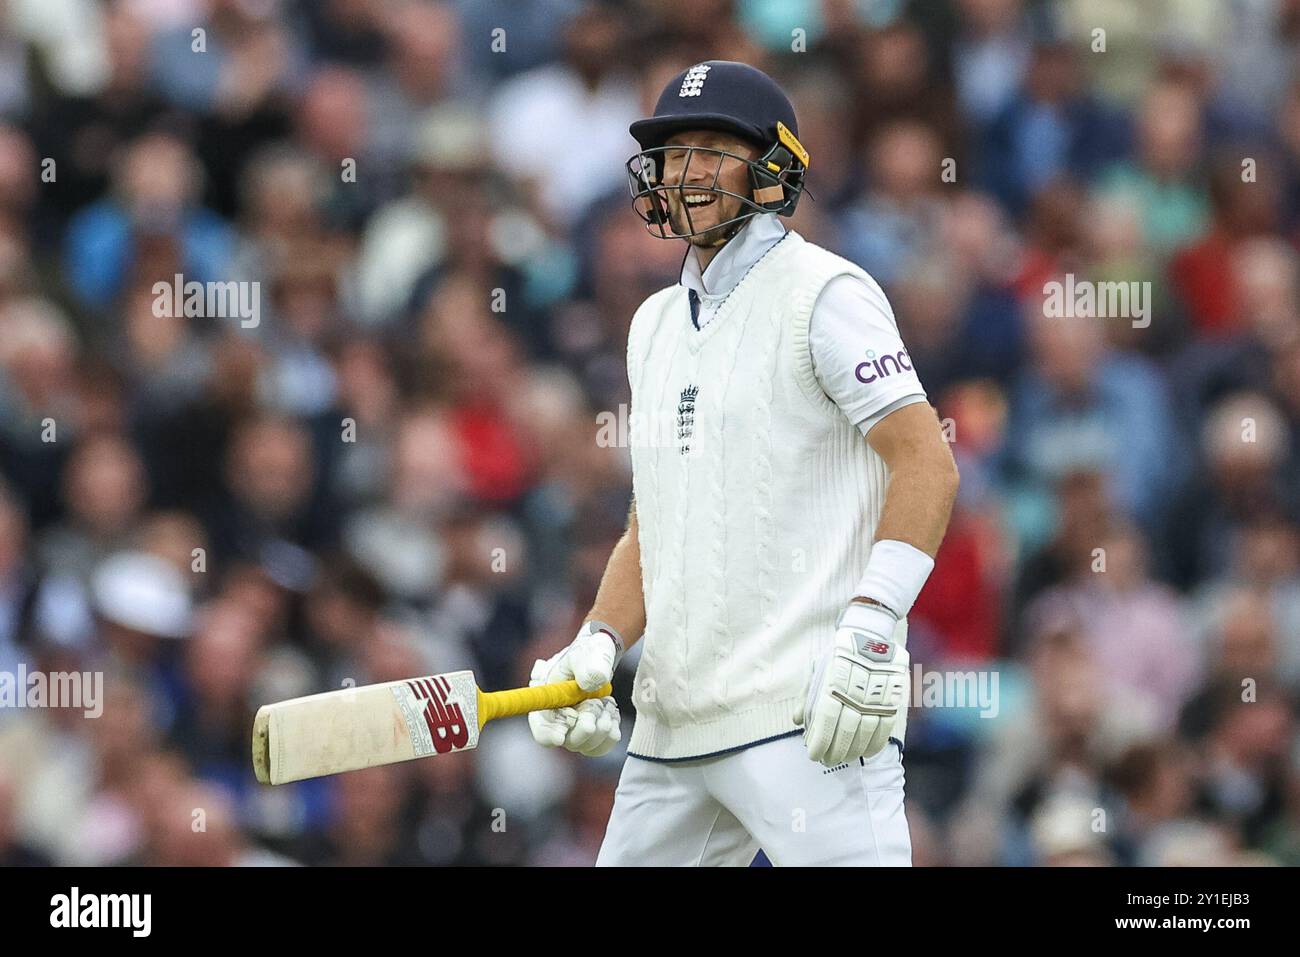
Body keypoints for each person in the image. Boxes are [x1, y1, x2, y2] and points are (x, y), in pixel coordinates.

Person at [528, 61, 959, 866]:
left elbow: (928, 462)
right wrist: (597, 640)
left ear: (774, 167)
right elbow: (651, 522)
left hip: (807, 715)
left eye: (712, 148)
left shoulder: (824, 291)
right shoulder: (652, 323)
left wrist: (873, 624)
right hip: (672, 727)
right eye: (674, 152)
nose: (688, 172)